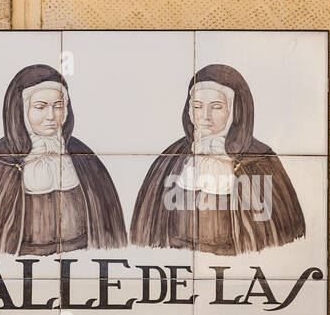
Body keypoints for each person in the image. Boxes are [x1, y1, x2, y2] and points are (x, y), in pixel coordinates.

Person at [130, 62, 305, 255]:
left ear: (236, 110)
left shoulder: (261, 161)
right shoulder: (171, 158)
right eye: (197, 106)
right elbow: (147, 232)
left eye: (216, 107)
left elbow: (282, 237)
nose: (205, 116)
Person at [0, 63, 126, 256]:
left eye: (58, 106)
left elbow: (110, 231)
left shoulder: (83, 156)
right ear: (21, 110)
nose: (51, 116)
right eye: (40, 107)